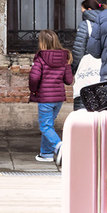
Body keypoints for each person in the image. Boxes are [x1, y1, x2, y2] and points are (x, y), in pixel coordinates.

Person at [29, 29, 73, 163]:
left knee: (45, 126)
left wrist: (33, 90)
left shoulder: (40, 58)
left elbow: (34, 77)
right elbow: (69, 80)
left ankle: (60, 145)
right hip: (58, 98)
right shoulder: (64, 58)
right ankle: (46, 154)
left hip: (45, 98)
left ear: (41, 42)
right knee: (49, 125)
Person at [70, 0, 103, 111]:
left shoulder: (85, 25)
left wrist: (74, 68)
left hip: (87, 69)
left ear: (88, 10)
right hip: (103, 69)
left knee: (84, 103)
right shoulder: (106, 22)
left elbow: (79, 50)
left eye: (82, 10)